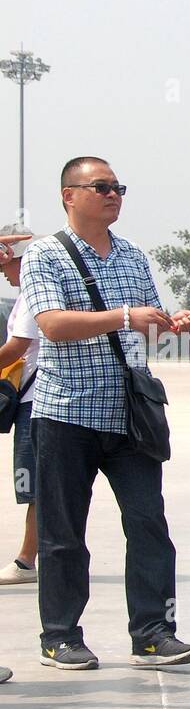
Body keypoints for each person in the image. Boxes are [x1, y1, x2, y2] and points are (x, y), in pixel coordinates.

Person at [20, 157, 190, 670]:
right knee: (63, 532)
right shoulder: (45, 257)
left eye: (118, 187)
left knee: (148, 523)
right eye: (101, 187)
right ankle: (60, 635)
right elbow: (52, 325)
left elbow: (149, 325)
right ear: (68, 195)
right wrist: (126, 316)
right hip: (66, 413)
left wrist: (173, 324)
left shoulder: (131, 256)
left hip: (129, 413)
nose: (113, 195)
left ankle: (152, 632)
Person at [0, 236, 40, 582]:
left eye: (5, 265)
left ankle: (27, 560)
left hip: (36, 401)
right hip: (33, 398)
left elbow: (15, 349)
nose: (3, 273)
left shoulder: (33, 293)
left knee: (37, 484)